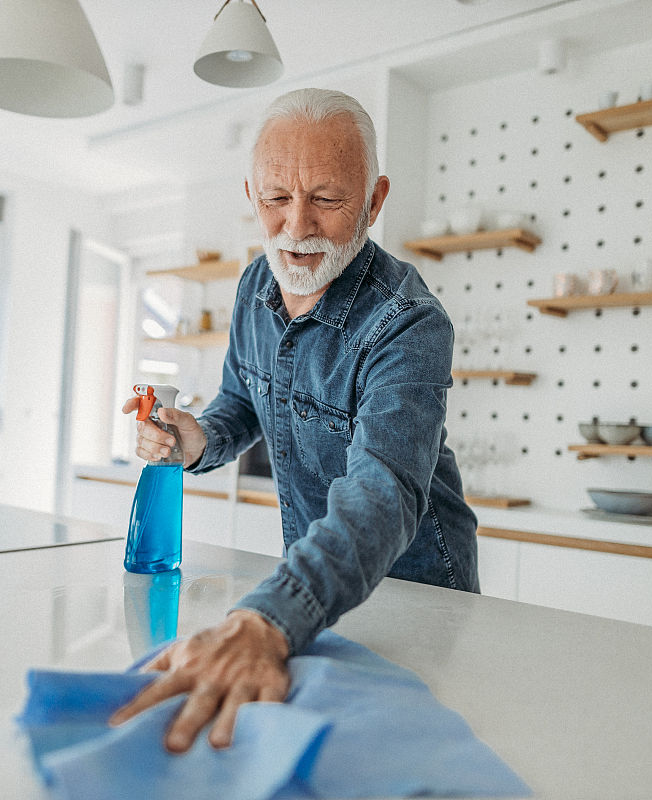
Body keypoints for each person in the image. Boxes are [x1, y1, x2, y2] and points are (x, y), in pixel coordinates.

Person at [111, 88, 478, 753]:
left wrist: (267, 619)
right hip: (309, 583)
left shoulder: (409, 323)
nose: (297, 226)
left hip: (418, 593)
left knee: (397, 761)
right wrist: (196, 439)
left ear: (375, 199)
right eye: (277, 199)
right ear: (252, 194)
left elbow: (383, 491)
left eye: (328, 200)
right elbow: (241, 402)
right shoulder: (255, 285)